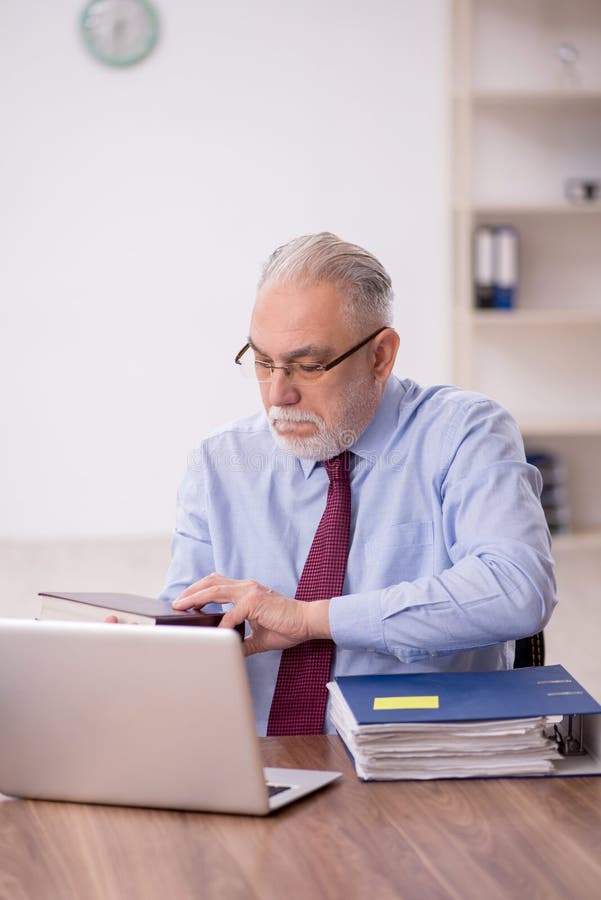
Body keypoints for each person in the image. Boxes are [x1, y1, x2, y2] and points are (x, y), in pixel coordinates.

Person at [161, 232, 557, 735]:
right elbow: (187, 625)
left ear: (380, 356)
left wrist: (311, 619)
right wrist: (146, 652)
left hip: (416, 762)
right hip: (254, 760)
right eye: (263, 362)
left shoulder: (464, 433)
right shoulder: (220, 462)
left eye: (309, 365)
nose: (278, 393)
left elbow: (516, 588)